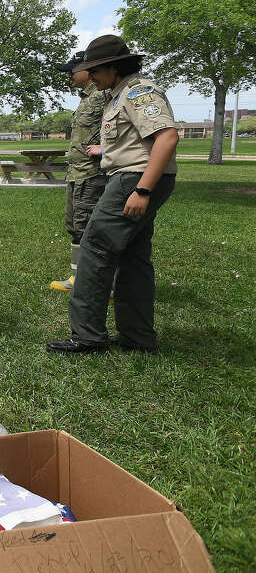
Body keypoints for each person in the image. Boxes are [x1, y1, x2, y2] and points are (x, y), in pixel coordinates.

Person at [47, 35, 178, 354]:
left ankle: (87, 335)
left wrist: (142, 189)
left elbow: (167, 138)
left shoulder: (138, 91)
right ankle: (137, 336)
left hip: (134, 179)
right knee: (133, 256)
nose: (90, 76)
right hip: (133, 177)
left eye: (95, 70)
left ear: (114, 67)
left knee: (95, 248)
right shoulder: (117, 94)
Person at [49, 51, 108, 292]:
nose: (69, 76)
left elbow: (123, 128)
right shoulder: (87, 98)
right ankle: (78, 278)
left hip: (93, 174)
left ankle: (96, 283)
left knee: (88, 229)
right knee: (75, 227)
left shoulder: (104, 95)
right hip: (77, 173)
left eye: (72, 71)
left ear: (88, 69)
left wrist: (106, 149)